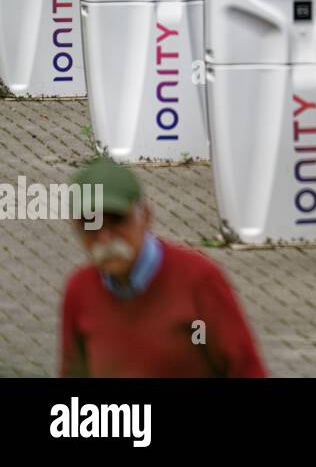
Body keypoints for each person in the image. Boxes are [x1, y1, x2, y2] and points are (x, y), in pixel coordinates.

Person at [59, 156, 267, 377]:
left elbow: (245, 369)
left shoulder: (198, 280)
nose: (105, 238)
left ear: (146, 217)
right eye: (90, 225)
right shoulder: (80, 291)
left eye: (117, 220)